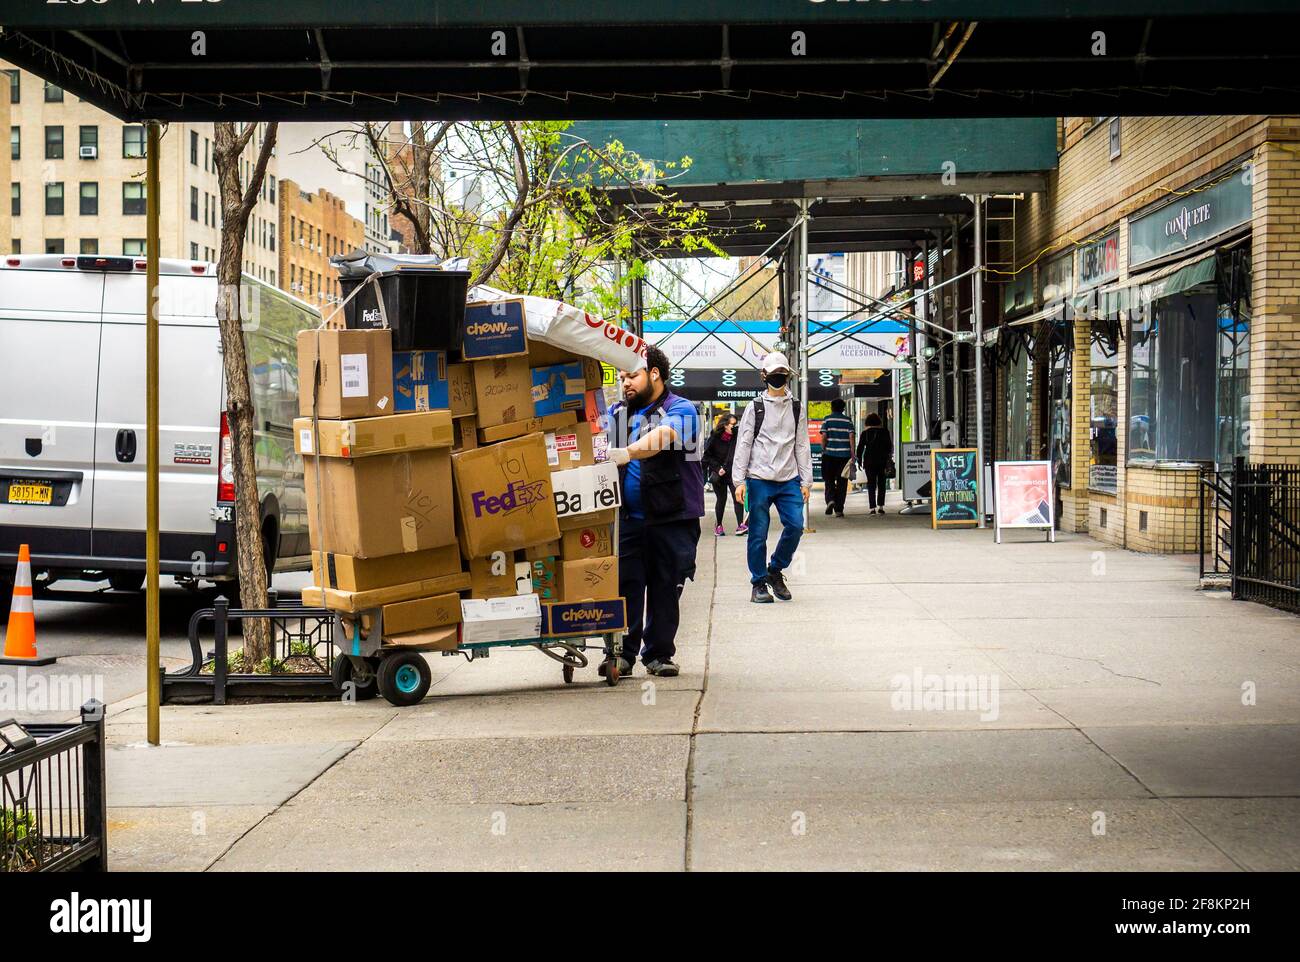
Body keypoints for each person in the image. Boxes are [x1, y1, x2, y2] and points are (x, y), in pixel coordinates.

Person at [605, 345, 704, 678]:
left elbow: (664, 436)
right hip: (628, 519)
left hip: (672, 518)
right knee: (626, 586)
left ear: (655, 374)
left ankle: (659, 654)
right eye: (622, 377)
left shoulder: (681, 408)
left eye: (632, 376)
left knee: (665, 586)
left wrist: (628, 452)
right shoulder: (618, 413)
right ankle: (621, 655)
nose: (625, 383)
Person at [732, 351, 812, 604]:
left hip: (789, 479)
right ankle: (758, 583)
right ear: (763, 376)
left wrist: (806, 481)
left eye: (782, 373)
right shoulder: (754, 407)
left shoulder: (796, 407)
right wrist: (739, 481)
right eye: (774, 373)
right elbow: (744, 444)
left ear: (788, 376)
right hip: (759, 478)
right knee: (758, 533)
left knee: (795, 526)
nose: (778, 377)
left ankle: (775, 569)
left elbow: (802, 444)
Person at [701, 413, 749, 536]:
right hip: (719, 475)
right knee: (721, 499)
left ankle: (740, 525)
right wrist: (717, 468)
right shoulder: (715, 437)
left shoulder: (736, 437)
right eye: (733, 424)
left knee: (737, 498)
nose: (735, 426)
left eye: (736, 424)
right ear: (725, 425)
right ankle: (719, 526)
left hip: (733, 473)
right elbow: (707, 457)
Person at [819, 398, 855, 518]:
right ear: (843, 408)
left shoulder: (827, 419)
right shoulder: (848, 420)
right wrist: (852, 453)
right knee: (842, 482)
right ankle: (839, 509)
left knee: (829, 479)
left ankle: (830, 500)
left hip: (829, 455)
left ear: (832, 407)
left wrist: (823, 448)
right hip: (844, 456)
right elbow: (851, 437)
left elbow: (824, 436)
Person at [856, 411, 893, 515]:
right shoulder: (885, 432)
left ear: (867, 422)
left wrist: (859, 460)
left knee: (871, 484)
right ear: (878, 421)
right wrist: (888, 458)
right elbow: (889, 446)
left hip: (869, 461)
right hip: (882, 461)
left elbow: (860, 448)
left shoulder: (865, 433)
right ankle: (881, 506)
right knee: (882, 483)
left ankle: (872, 508)